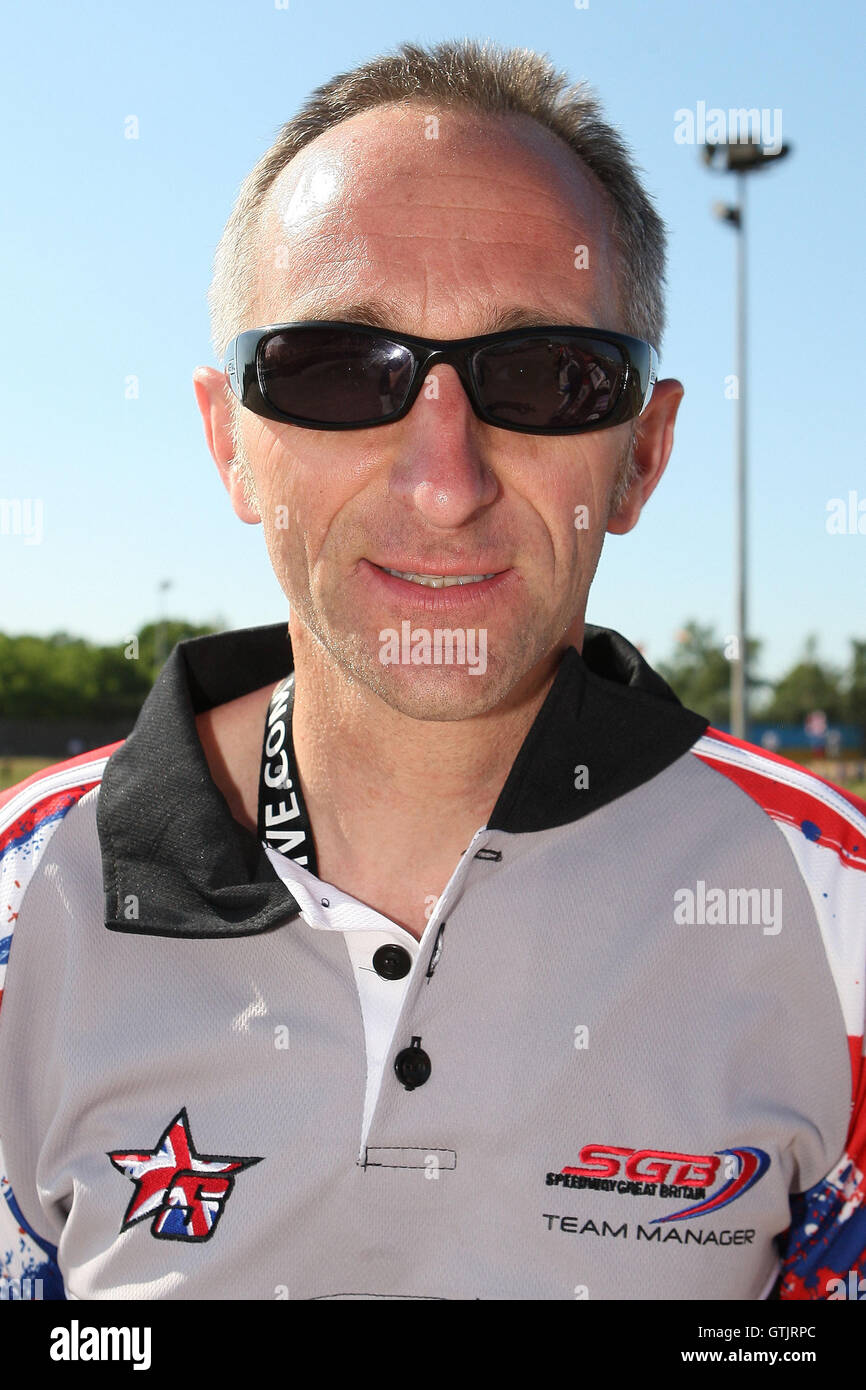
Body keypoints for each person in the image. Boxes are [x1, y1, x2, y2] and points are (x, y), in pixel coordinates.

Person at [0, 37, 863, 1303]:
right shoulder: (25, 911)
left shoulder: (837, 920)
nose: (444, 485)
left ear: (641, 453)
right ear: (229, 444)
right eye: (339, 370)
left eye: (545, 377)